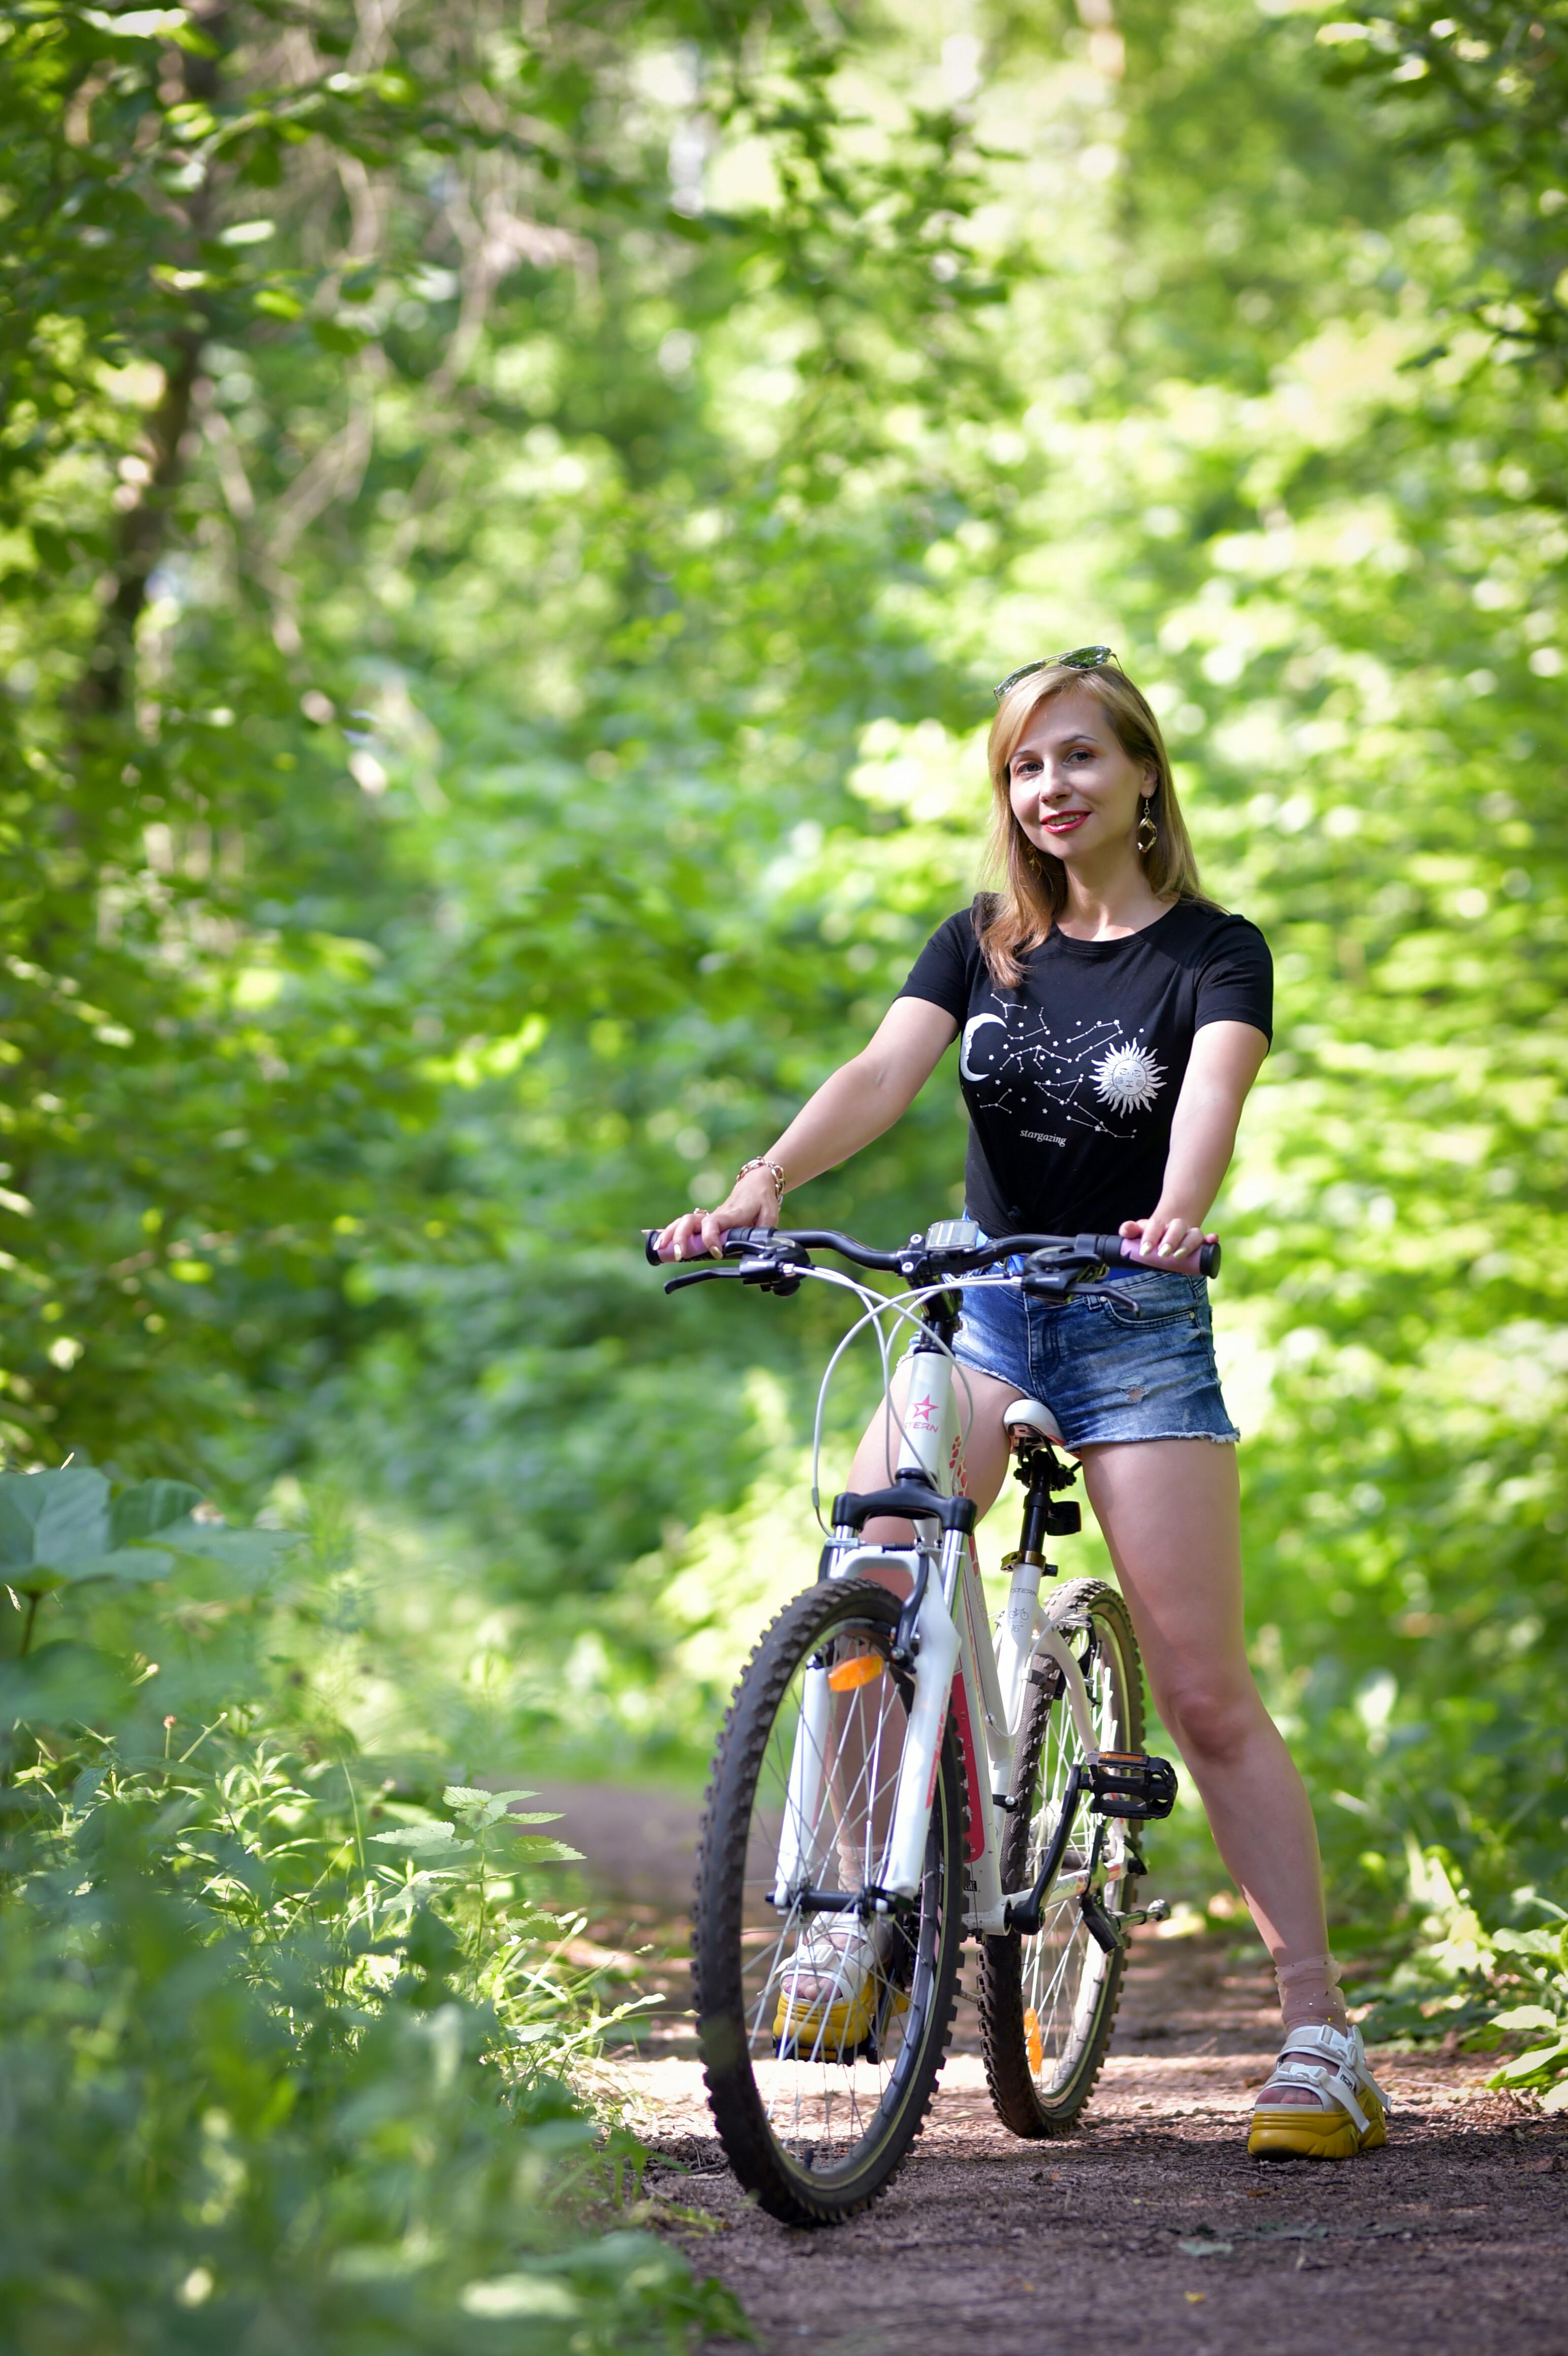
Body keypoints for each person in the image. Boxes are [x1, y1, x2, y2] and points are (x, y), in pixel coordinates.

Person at [654, 646, 1388, 2163]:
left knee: (1205, 1692)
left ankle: (1320, 2034)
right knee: (872, 1572)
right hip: (982, 1313)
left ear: (1144, 776)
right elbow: (881, 1073)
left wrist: (1179, 1212)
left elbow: (1212, 1097)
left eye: (1080, 757)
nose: (1051, 788)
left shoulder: (1215, 951)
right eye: (1025, 765)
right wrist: (759, 1186)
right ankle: (850, 1924)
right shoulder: (981, 942)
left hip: (1133, 1325)